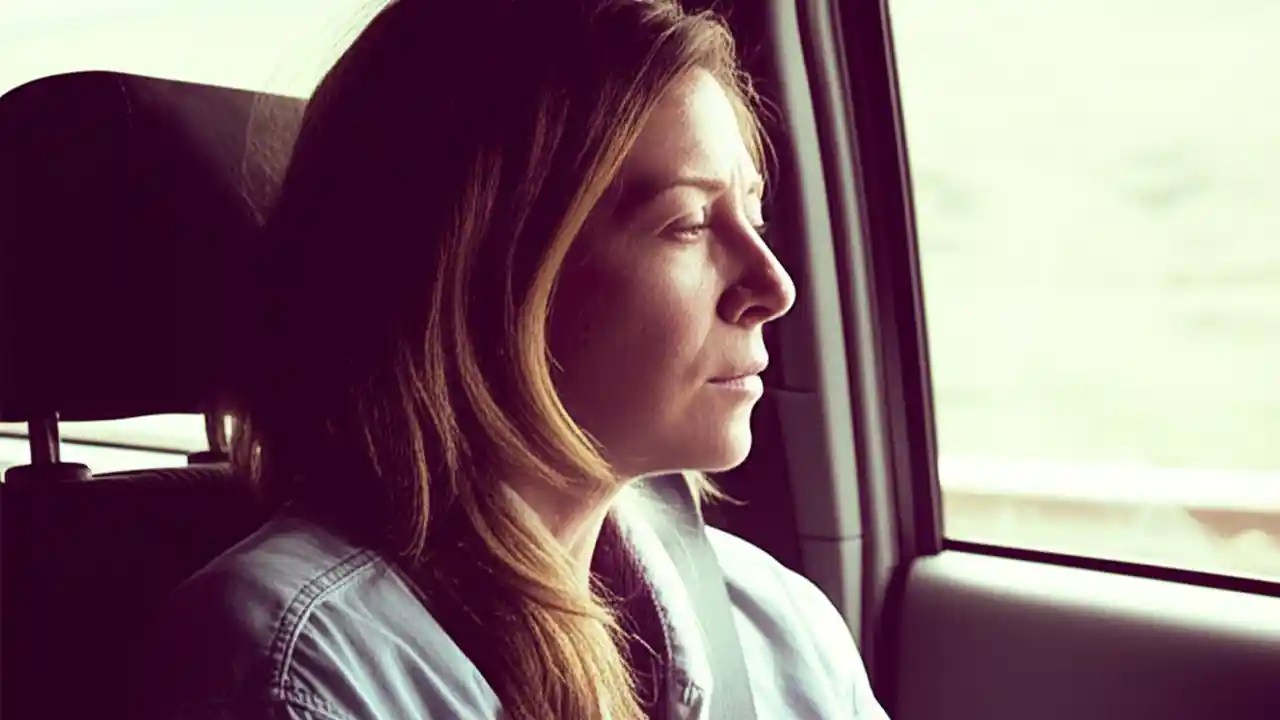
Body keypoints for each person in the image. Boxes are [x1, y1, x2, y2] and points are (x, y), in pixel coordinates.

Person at [142, 0, 890, 718]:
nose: (773, 287)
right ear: (479, 275)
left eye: (753, 213)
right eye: (688, 223)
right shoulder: (306, 666)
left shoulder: (777, 625)